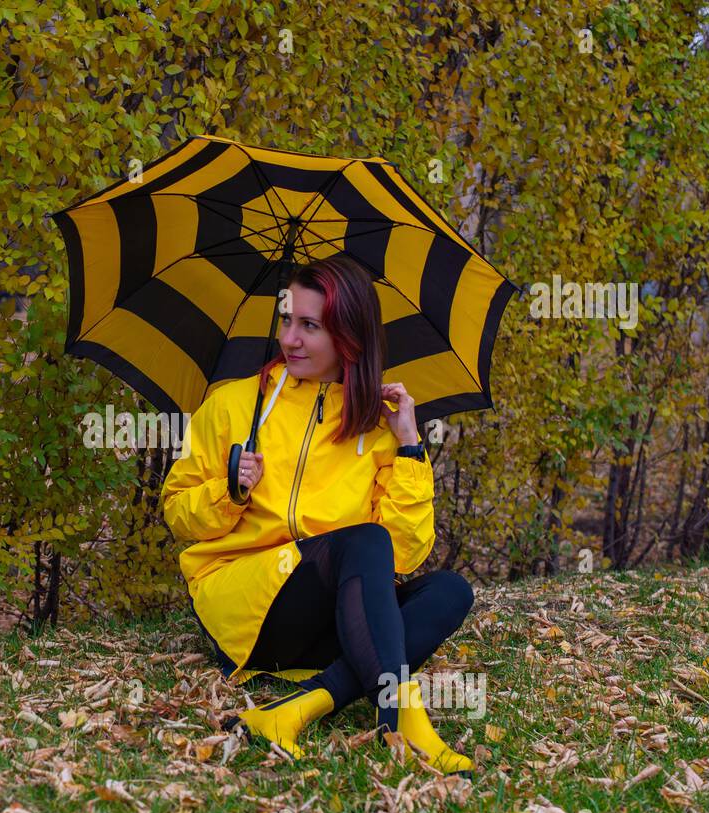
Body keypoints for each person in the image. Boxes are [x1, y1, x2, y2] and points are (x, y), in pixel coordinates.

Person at [160, 253, 476, 774]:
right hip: (243, 604)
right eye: (287, 319)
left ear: (349, 337)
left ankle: (298, 707)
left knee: (450, 591)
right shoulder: (234, 405)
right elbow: (177, 513)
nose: (290, 339)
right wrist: (229, 493)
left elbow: (403, 553)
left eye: (310, 325)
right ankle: (399, 718)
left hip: (329, 614)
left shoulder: (377, 426)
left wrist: (408, 445)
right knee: (363, 543)